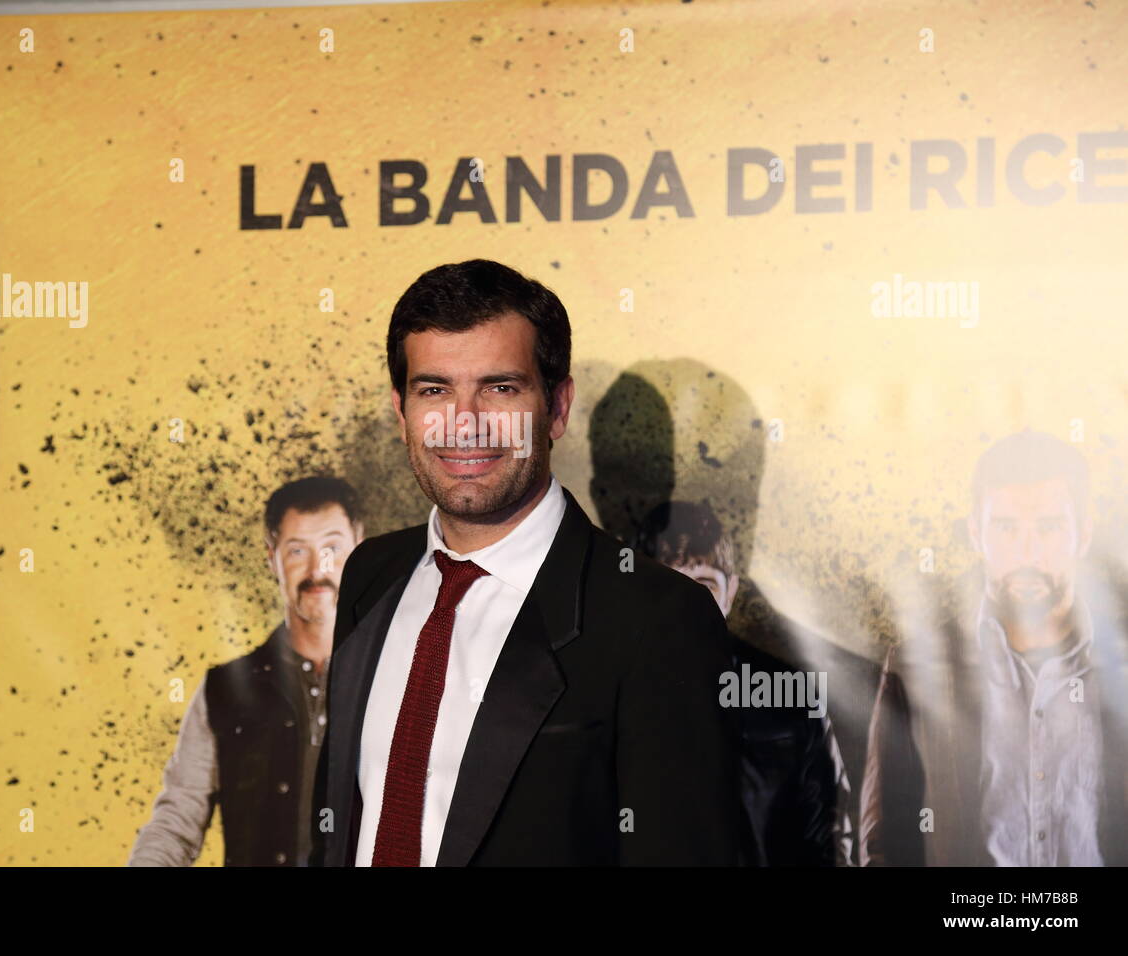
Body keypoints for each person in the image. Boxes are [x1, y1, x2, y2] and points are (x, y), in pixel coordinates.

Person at [311, 259, 738, 867]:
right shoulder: (369, 576)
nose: (465, 422)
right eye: (434, 390)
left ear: (558, 407)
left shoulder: (657, 618)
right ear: (401, 411)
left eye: (500, 388)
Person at [860, 429, 1128, 865]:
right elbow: (884, 840)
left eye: (1049, 527)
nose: (1027, 551)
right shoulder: (918, 664)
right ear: (975, 533)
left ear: (1083, 534)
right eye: (1005, 528)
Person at [128, 476, 363, 866]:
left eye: (333, 548)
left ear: (360, 546)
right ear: (271, 558)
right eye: (296, 551)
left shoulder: (398, 672)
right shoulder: (224, 690)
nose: (316, 569)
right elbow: (177, 821)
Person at [636, 499, 853, 866]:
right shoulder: (598, 694)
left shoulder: (791, 698)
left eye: (703, 586)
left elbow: (830, 841)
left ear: (730, 593)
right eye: (668, 585)